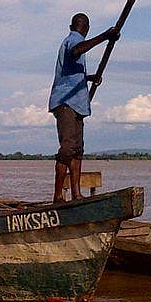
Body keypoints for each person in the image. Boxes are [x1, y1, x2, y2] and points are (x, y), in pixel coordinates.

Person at [48, 13, 119, 203]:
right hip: (66, 102)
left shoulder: (75, 40)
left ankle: (76, 194)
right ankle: (57, 195)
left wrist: (90, 78)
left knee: (77, 151)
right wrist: (105, 36)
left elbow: (72, 74)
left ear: (71, 25)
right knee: (68, 147)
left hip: (78, 104)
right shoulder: (74, 40)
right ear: (85, 29)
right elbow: (76, 50)